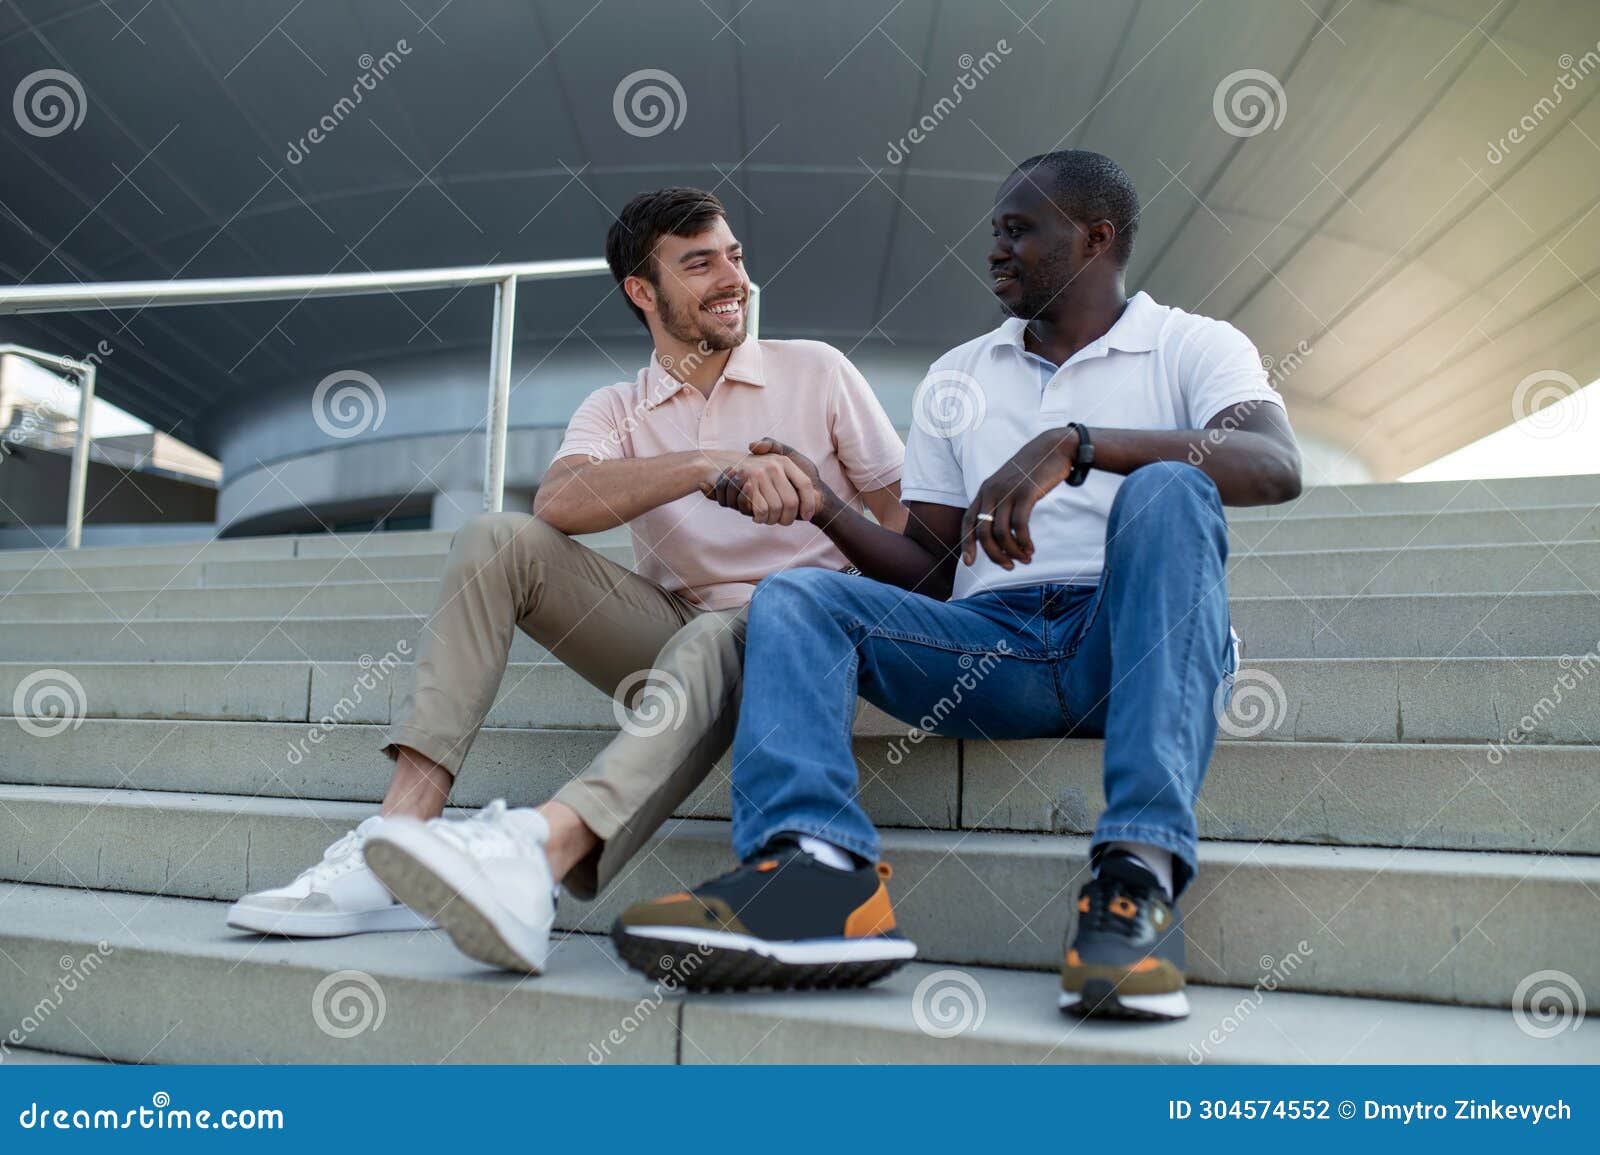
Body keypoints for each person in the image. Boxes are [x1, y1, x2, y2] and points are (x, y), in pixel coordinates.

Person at [613, 151, 1302, 1019]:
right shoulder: (958, 376)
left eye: (1021, 230)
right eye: (995, 233)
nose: (996, 249)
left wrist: (1079, 443)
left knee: (1169, 488)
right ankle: (818, 876)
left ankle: (1135, 880)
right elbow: (932, 574)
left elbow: (1276, 465)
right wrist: (826, 508)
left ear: (1097, 238)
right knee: (793, 595)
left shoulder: (1192, 344)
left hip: (1132, 639)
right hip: (993, 647)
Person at [227, 187, 906, 976]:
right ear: (642, 292)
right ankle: (400, 834)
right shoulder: (616, 407)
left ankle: (538, 857)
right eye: (700, 263)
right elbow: (558, 501)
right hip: (675, 627)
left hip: (807, 634)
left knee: (734, 629)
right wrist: (700, 464)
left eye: (735, 256)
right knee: (495, 537)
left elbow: (905, 521)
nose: (732, 278)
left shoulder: (817, 369)